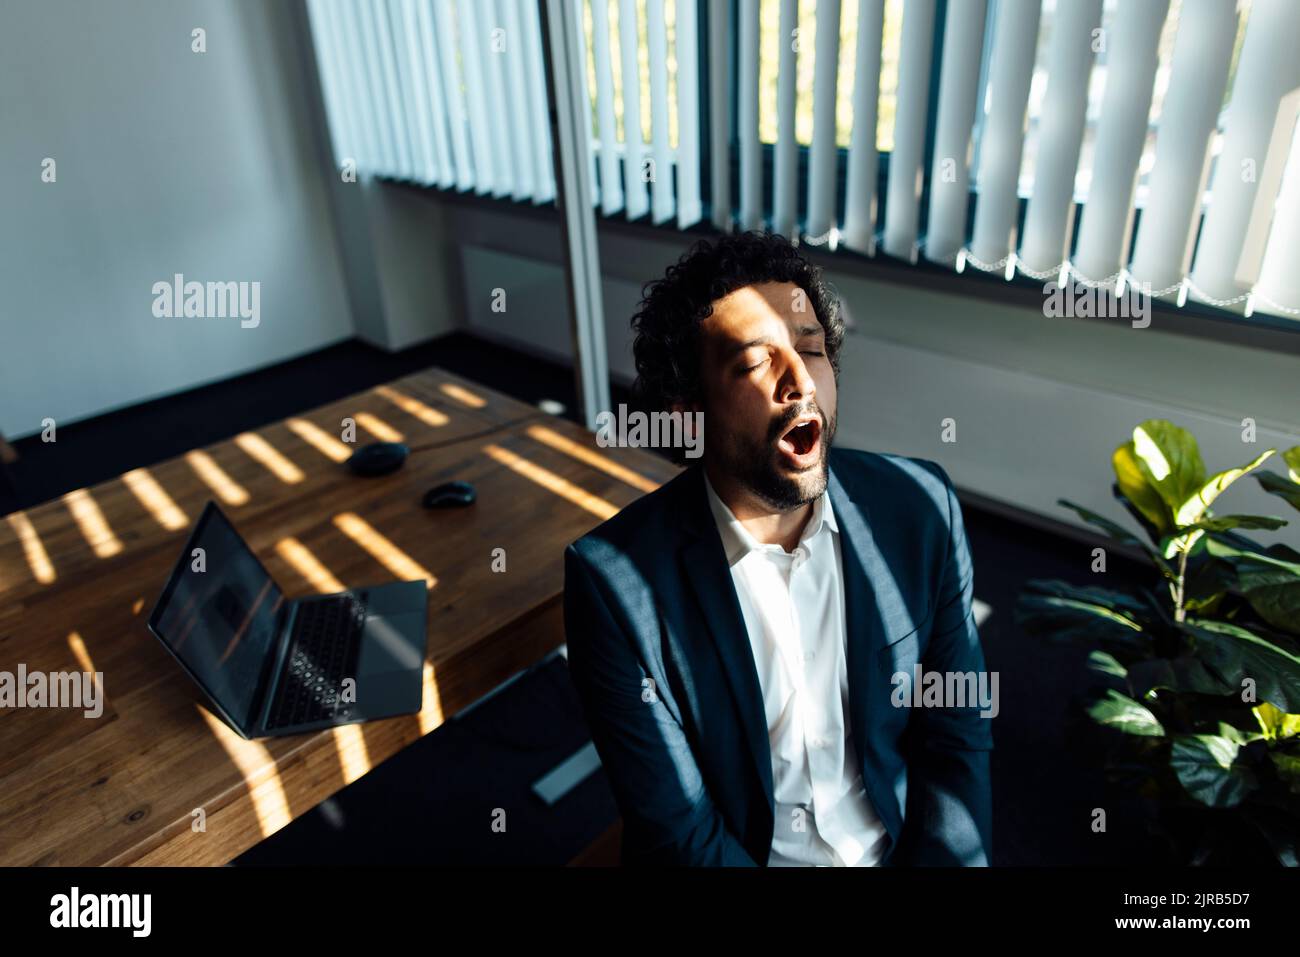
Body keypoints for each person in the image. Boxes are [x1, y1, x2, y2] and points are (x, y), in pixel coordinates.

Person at [564, 231, 993, 866]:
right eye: (757, 362)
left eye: (814, 350)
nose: (801, 381)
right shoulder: (616, 584)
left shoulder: (922, 509)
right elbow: (678, 833)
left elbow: (957, 738)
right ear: (689, 412)